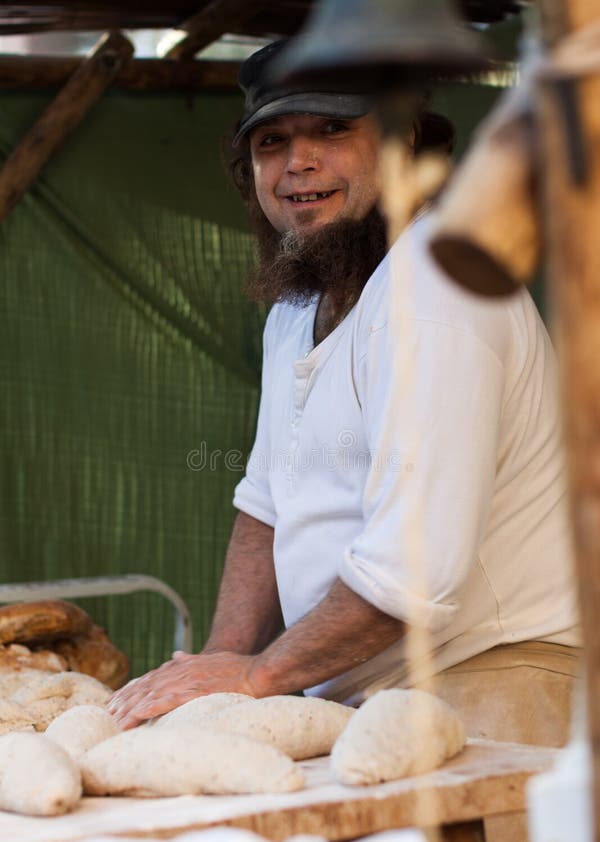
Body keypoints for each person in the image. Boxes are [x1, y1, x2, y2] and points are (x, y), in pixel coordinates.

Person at [109, 40, 581, 744]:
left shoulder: (435, 289)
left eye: (334, 129)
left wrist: (257, 677)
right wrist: (217, 665)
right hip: (367, 694)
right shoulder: (297, 311)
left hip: (494, 687)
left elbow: (411, 573)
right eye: (273, 141)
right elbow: (266, 504)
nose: (299, 162)